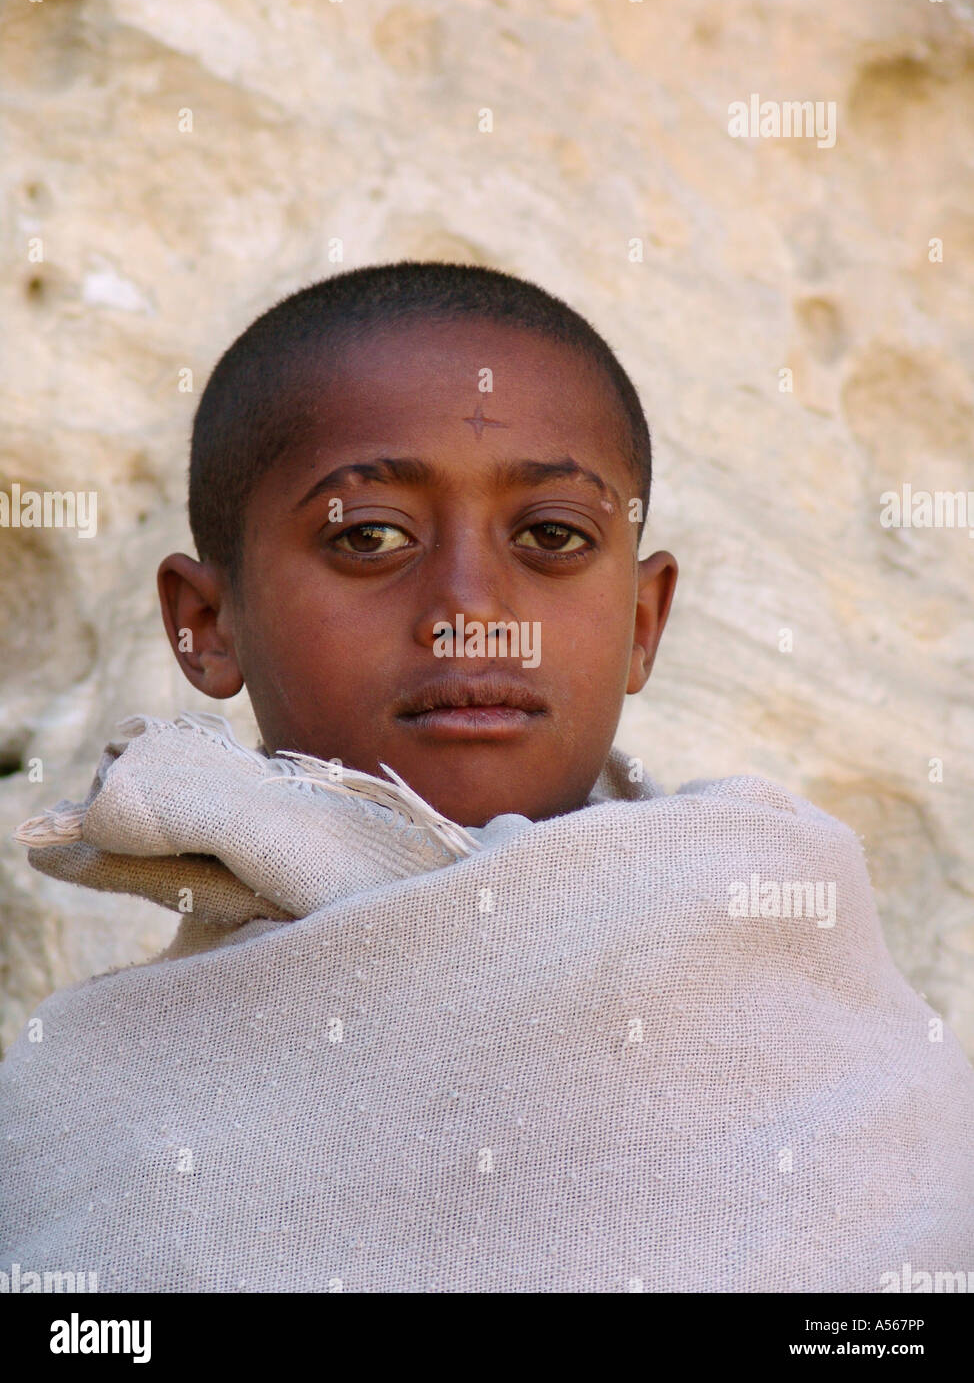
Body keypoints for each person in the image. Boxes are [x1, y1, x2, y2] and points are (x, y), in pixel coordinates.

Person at [3, 262, 971, 1293]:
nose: (470, 608)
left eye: (551, 536)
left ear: (641, 624)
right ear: (206, 624)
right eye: (367, 537)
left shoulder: (790, 964)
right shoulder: (85, 1107)